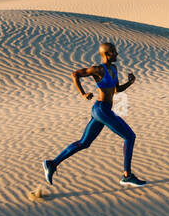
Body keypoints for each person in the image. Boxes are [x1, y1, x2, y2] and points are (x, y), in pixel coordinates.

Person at [44, 42, 146, 187]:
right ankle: (127, 176)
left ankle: (52, 163)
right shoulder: (98, 69)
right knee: (129, 136)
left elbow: (116, 90)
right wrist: (83, 93)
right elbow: (75, 74)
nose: (116, 54)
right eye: (113, 52)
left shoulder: (114, 69)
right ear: (106, 54)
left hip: (103, 110)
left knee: (84, 143)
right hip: (101, 109)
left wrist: (130, 82)